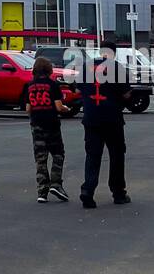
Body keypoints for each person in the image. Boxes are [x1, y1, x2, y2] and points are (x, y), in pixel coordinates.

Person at [77, 40, 133, 209]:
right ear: (114, 53)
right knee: (116, 155)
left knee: (93, 156)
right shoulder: (117, 68)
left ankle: (88, 190)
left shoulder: (85, 67)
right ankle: (118, 192)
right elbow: (126, 94)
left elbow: (79, 90)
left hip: (91, 118)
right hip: (112, 119)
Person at [26, 56, 71, 203]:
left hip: (36, 124)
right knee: (58, 154)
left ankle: (42, 192)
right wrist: (66, 109)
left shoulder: (30, 85)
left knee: (40, 158)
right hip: (51, 123)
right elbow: (58, 107)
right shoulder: (52, 85)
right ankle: (56, 184)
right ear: (49, 69)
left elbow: (28, 108)